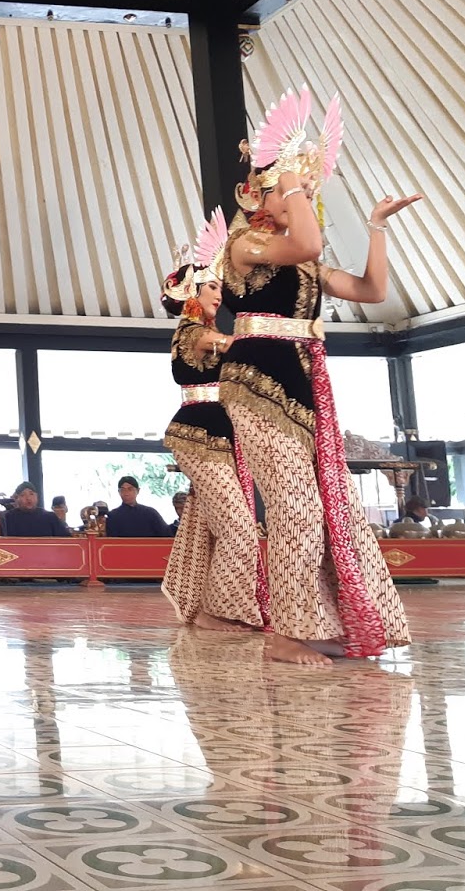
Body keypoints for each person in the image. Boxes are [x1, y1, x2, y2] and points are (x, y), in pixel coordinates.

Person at [220, 86, 418, 666]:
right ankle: (287, 630)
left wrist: (376, 226)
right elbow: (304, 236)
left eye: (304, 190)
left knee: (323, 505)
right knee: (294, 505)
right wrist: (290, 179)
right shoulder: (246, 243)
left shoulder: (305, 265)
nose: (303, 197)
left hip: (302, 379)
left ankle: (320, 619)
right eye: (289, 189)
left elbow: (371, 291)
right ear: (263, 194)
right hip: (255, 376)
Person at [158, 211, 268, 634]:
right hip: (198, 436)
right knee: (239, 527)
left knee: (209, 527)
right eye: (210, 287)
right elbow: (231, 346)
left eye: (220, 288)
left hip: (218, 438)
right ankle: (219, 610)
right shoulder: (192, 332)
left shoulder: (205, 329)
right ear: (190, 292)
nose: (218, 295)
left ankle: (204, 602)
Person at [105, 476, 170, 538]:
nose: (126, 493)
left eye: (130, 489)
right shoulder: (112, 516)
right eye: (123, 490)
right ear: (119, 492)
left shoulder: (150, 513)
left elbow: (166, 534)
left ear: (138, 491)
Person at [1, 483, 67, 538]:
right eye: (23, 495)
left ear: (37, 496)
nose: (28, 498)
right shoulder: (8, 517)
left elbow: (65, 540)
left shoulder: (50, 517)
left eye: (31, 494)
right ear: (17, 499)